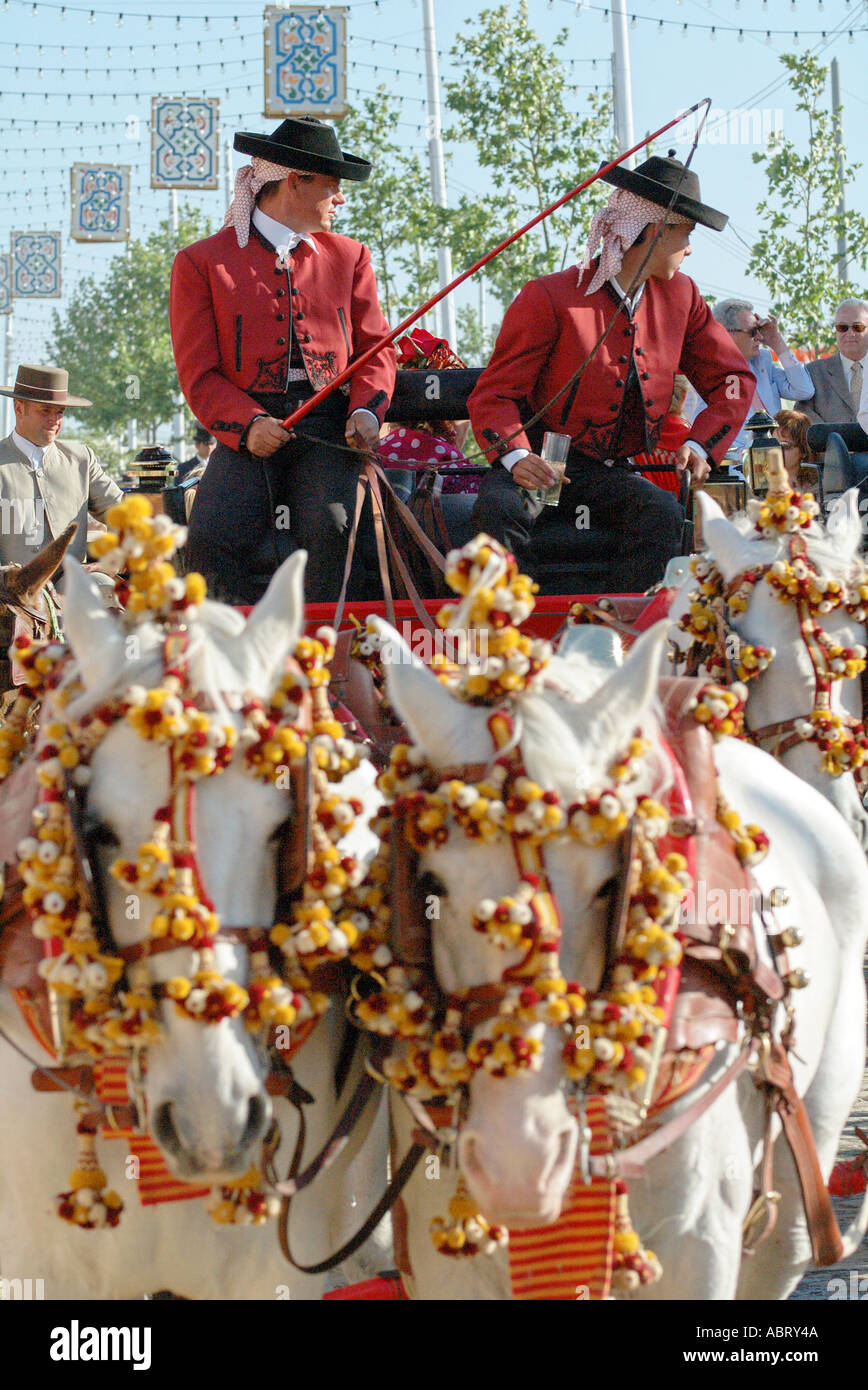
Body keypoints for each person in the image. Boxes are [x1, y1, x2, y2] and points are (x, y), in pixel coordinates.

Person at [468, 153, 754, 593]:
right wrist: (518, 458)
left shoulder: (684, 295)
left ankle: (622, 636)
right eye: (686, 234)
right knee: (500, 512)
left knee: (659, 512)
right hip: (538, 459)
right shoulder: (549, 295)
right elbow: (495, 395)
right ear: (655, 231)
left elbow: (732, 380)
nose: (691, 248)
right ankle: (511, 644)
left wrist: (701, 442)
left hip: (610, 472)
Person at [169, 116, 396, 604]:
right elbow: (198, 373)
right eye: (333, 186)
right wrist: (249, 424)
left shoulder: (352, 256)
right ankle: (222, 661)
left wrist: (364, 411)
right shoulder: (200, 262)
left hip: (331, 426)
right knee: (208, 534)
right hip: (246, 430)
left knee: (333, 525)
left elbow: (377, 349)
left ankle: (324, 662)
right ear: (296, 181)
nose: (341, 199)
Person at [0, 363, 122, 569]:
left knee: (106, 591)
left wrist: (113, 561)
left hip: (74, 584)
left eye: (60, 412)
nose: (54, 420)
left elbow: (122, 512)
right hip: (10, 592)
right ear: (19, 409)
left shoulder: (82, 459)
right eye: (45, 410)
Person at [711, 299, 813, 459]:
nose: (759, 337)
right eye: (752, 332)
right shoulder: (707, 372)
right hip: (740, 467)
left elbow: (804, 390)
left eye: (759, 329)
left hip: (780, 459)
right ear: (726, 333)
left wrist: (777, 342)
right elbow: (709, 437)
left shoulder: (762, 360)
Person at [804, 299, 868, 426]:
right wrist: (830, 436)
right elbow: (802, 413)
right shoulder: (814, 372)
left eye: (858, 327)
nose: (850, 334)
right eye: (842, 328)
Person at [773, 409, 822, 492]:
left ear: (803, 451)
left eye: (785, 446)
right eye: (772, 445)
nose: (775, 451)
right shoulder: (757, 488)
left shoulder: (818, 489)